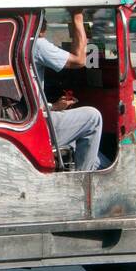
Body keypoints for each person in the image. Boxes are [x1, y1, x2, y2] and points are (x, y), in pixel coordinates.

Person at [32, 10, 104, 171]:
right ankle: (84, 181)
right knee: (93, 118)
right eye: (43, 19)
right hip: (36, 126)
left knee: (91, 154)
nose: (46, 24)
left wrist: (53, 107)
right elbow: (80, 60)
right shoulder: (36, 44)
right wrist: (77, 16)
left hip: (32, 116)